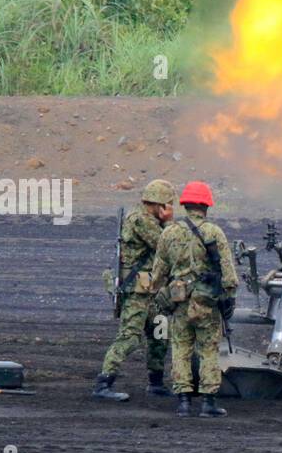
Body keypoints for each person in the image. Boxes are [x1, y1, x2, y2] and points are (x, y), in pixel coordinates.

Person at [148, 181, 239, 418]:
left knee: (180, 348)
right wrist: (228, 300)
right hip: (207, 304)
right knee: (209, 350)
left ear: (185, 204)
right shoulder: (214, 232)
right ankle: (209, 403)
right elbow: (228, 275)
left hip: (179, 302)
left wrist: (159, 293)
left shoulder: (169, 232)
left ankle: (184, 402)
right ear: (206, 205)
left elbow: (158, 273)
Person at [92, 179, 176, 401]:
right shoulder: (140, 220)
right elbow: (165, 245)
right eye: (167, 205)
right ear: (158, 205)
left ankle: (155, 383)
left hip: (151, 291)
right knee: (130, 337)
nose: (169, 209)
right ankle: (104, 383)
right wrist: (168, 223)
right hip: (137, 292)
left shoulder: (148, 219)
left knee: (160, 334)